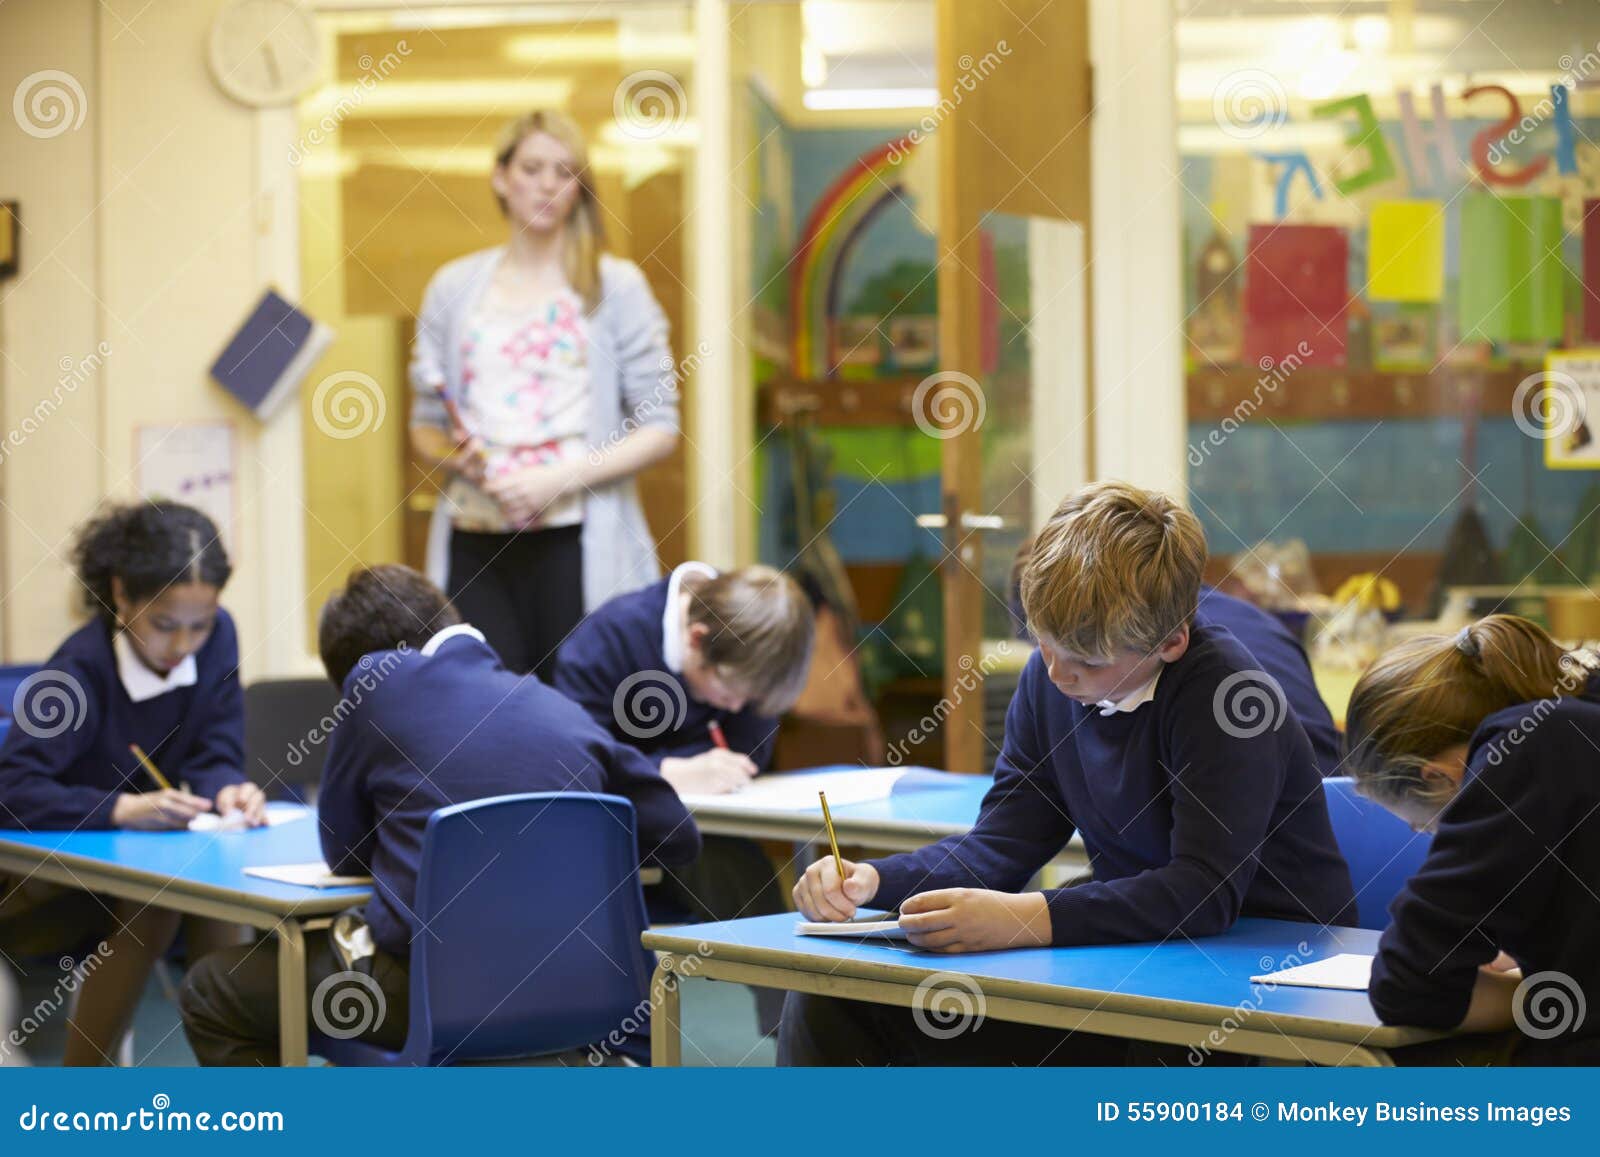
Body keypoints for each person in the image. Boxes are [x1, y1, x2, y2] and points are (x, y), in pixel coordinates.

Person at [782, 481, 1354, 1065]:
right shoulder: (1050, 677)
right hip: (1136, 943)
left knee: (1155, 1056)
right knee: (839, 997)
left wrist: (1025, 917)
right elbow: (1005, 843)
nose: (1057, 673)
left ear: (1171, 641)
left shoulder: (1229, 699)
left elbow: (1203, 893)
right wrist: (873, 881)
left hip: (1267, 956)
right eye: (1042, 642)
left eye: (1088, 660)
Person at [179, 565, 699, 1066]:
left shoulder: (376, 681)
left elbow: (343, 853)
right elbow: (678, 835)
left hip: (430, 995)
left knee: (212, 990)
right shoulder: (555, 706)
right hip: (586, 990)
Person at [410, 109, 679, 682]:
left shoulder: (615, 285)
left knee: (576, 707)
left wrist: (556, 479)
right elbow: (425, 424)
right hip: (475, 535)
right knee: (482, 711)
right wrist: (463, 461)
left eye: (565, 171)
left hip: (576, 535)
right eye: (532, 168)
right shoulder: (454, 287)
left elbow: (660, 425)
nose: (548, 184)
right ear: (501, 177)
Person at [0, 502, 262, 1065]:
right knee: (162, 896)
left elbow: (216, 747)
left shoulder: (218, 641)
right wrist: (122, 809)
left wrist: (227, 790)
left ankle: (245, 1098)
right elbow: (12, 791)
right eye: (164, 625)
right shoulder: (76, 675)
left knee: (217, 895)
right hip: (37, 882)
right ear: (120, 596)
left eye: (201, 625)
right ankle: (79, 1103)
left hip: (135, 870)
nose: (184, 645)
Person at [1344, 615, 1600, 1064]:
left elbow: (1404, 983)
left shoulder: (1529, 746)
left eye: (1430, 827)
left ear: (1443, 778)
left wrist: (1531, 989)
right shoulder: (1576, 718)